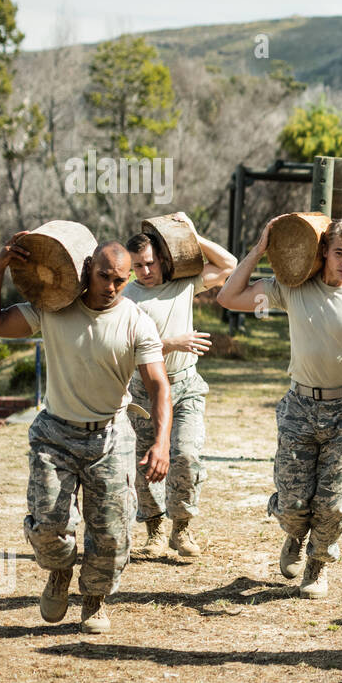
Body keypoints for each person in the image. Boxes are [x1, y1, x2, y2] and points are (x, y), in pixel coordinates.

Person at [217, 216, 342, 599]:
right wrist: (260, 249)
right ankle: (295, 535)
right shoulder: (293, 288)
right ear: (324, 251)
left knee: (333, 503)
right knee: (292, 501)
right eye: (340, 253)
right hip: (299, 406)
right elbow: (228, 298)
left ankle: (317, 563)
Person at [0, 237, 171, 634]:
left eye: (120, 280)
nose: (110, 287)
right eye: (103, 276)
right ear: (87, 270)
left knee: (112, 532)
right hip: (56, 434)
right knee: (47, 525)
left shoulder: (137, 321)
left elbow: (158, 387)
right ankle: (60, 571)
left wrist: (161, 441)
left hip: (110, 436)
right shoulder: (53, 307)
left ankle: (94, 599)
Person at [124, 212, 237, 558]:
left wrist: (192, 233)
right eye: (137, 266)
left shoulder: (183, 284)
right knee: (146, 462)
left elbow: (229, 265)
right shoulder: (125, 297)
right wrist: (172, 343)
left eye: (150, 263)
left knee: (186, 454)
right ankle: (155, 531)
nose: (145, 271)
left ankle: (181, 529)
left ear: (162, 259)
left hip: (185, 386)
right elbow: (125, 350)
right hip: (143, 390)